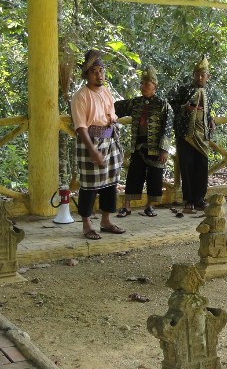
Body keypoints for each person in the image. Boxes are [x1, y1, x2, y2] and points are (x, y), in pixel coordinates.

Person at [71, 49, 125, 240]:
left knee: (111, 183)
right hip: (91, 142)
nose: (99, 74)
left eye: (101, 70)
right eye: (94, 71)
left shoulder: (107, 92)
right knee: (90, 185)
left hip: (110, 140)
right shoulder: (81, 96)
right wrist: (92, 150)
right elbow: (80, 127)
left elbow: (111, 115)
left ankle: (106, 221)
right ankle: (87, 225)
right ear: (87, 74)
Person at [114, 66, 173, 218]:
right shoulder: (135, 102)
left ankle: (150, 206)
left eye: (147, 84)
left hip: (156, 146)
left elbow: (168, 127)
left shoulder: (163, 104)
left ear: (155, 86)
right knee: (134, 174)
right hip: (138, 145)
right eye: (141, 83)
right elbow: (114, 108)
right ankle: (126, 207)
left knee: (155, 176)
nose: (143, 87)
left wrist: (165, 149)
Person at [169, 55, 216, 213]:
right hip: (186, 135)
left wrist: (211, 120)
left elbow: (206, 111)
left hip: (202, 135)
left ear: (208, 77)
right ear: (193, 75)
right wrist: (185, 108)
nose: (200, 77)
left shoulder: (208, 92)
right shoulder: (184, 89)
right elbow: (171, 105)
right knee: (187, 167)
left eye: (203, 75)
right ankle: (188, 200)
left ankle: (199, 199)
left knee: (201, 167)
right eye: (197, 75)